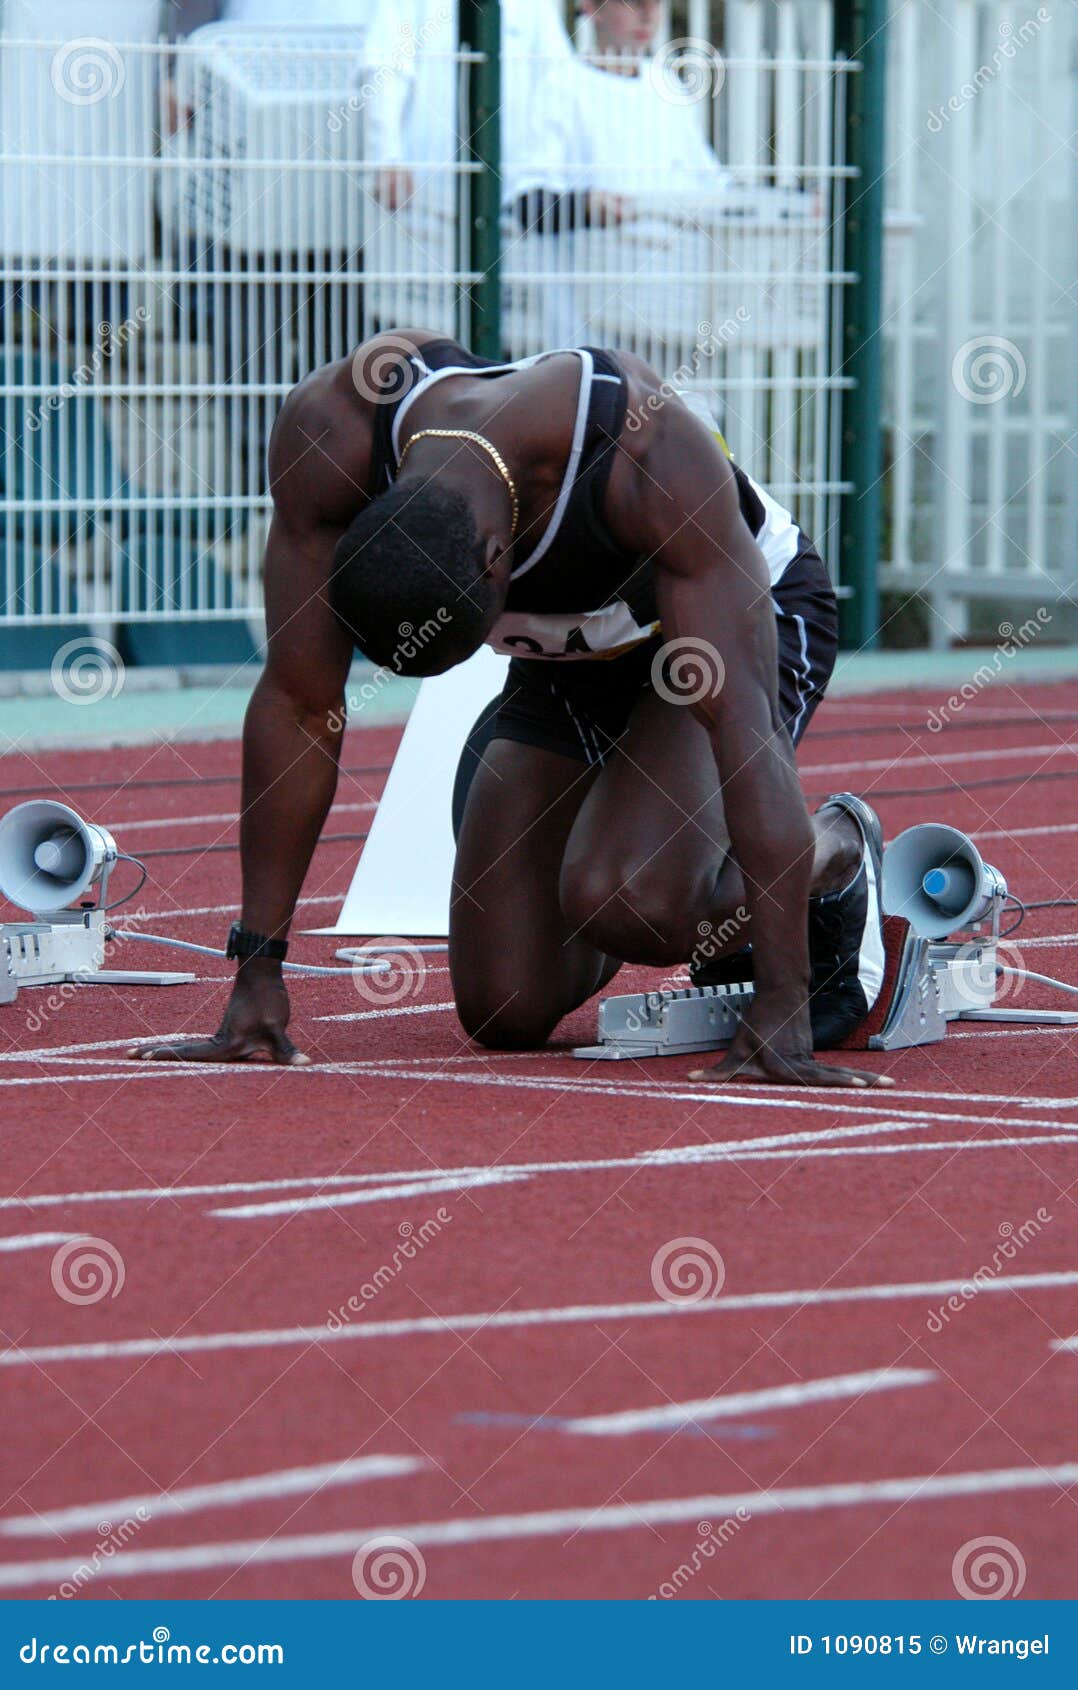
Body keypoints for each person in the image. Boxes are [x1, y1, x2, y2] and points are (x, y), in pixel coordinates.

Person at [131, 328, 892, 1090]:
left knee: (633, 899)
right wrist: (257, 970)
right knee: (506, 1005)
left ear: (499, 559)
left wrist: (783, 1003)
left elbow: (745, 731)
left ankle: (835, 850)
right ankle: (617, 827)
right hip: (570, 656)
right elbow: (300, 706)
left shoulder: (643, 454)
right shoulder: (330, 439)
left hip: (711, 638)